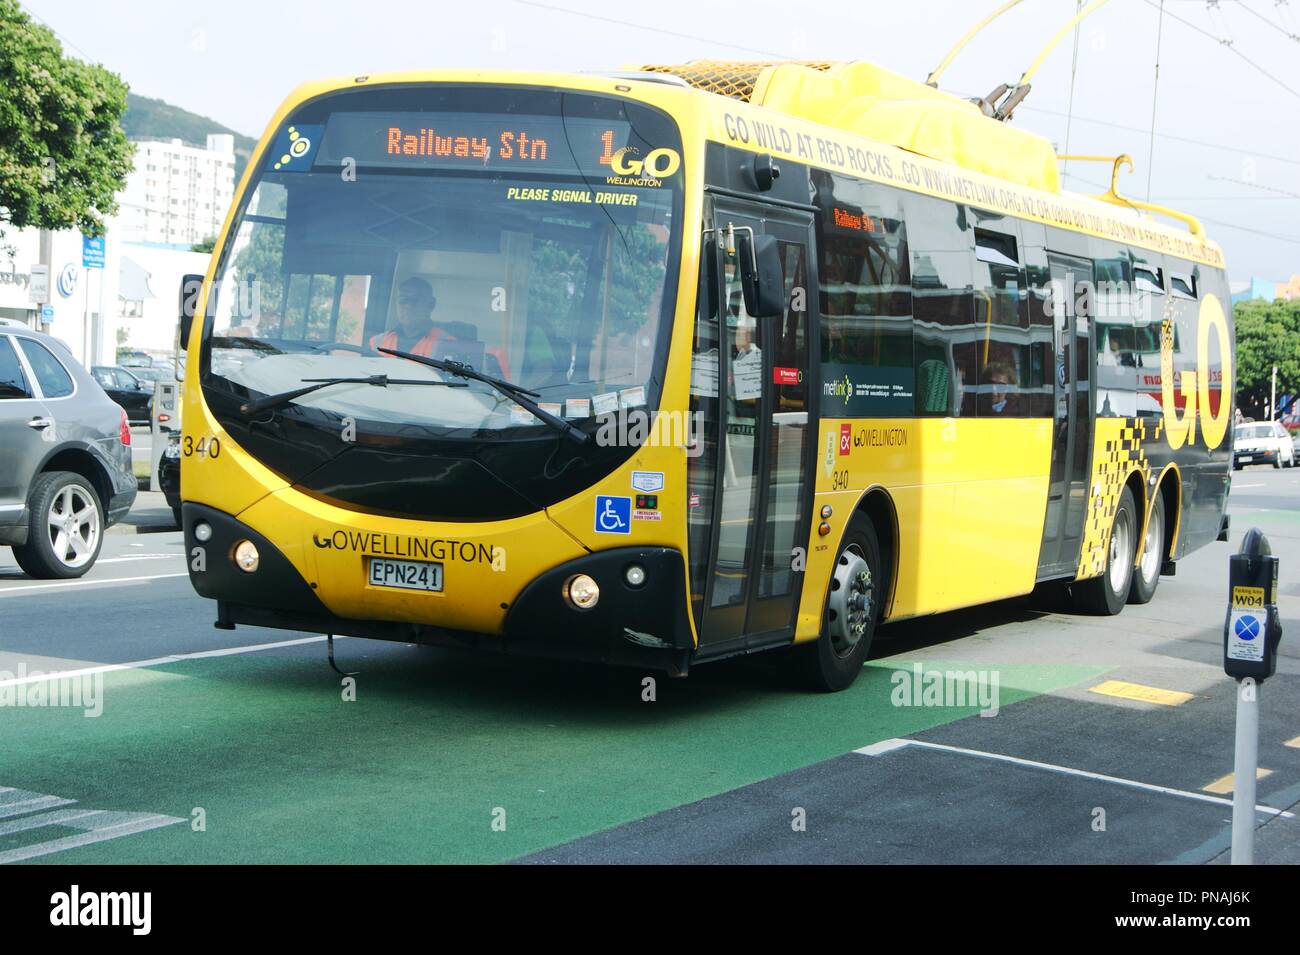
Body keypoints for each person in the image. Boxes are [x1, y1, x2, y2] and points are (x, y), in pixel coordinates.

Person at [370, 277, 444, 356]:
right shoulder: (376, 342)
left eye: (416, 300)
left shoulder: (448, 344)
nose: (408, 306)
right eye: (403, 300)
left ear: (431, 304)